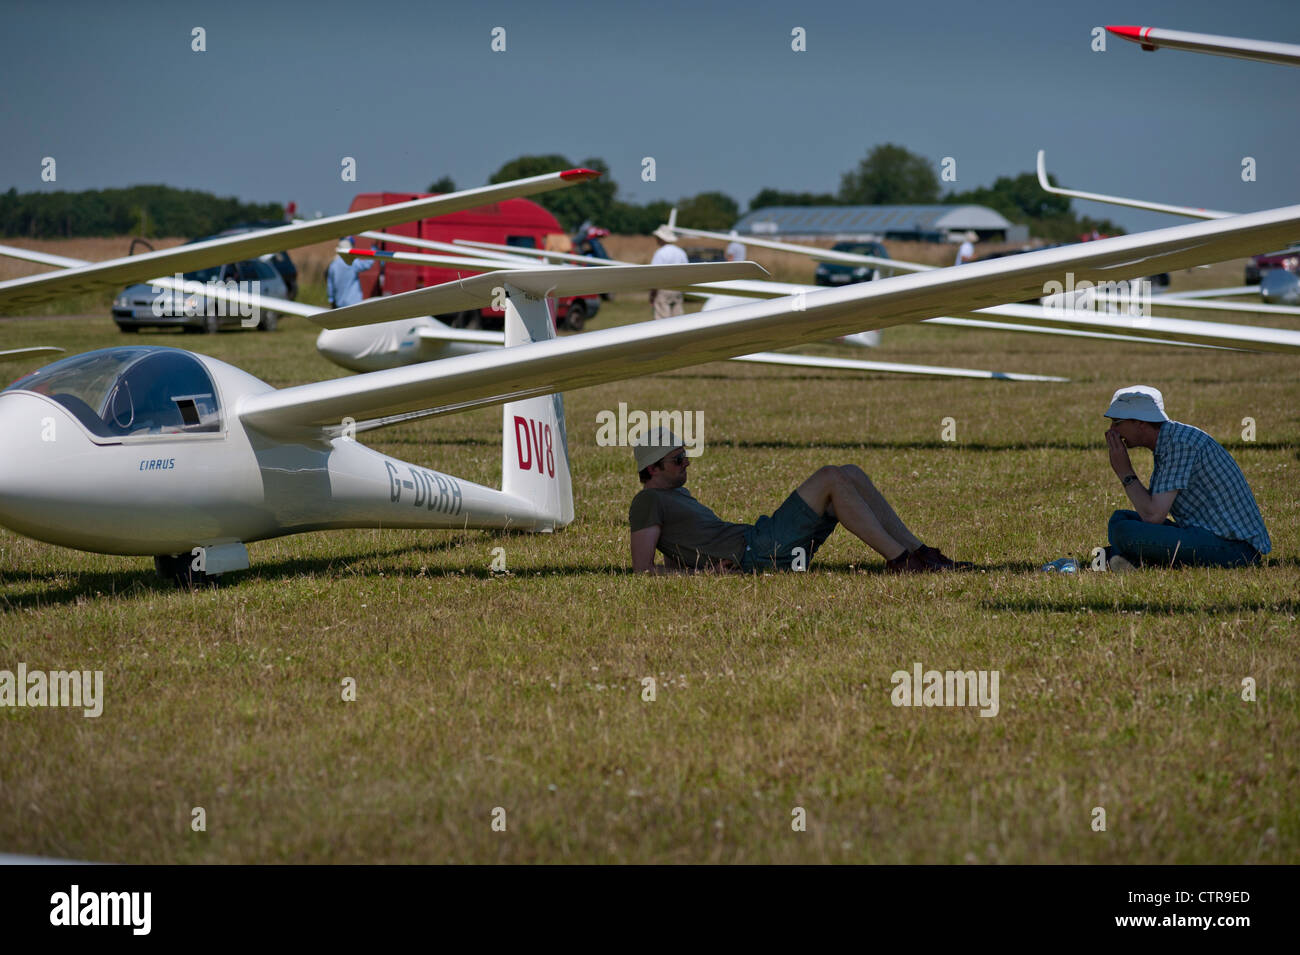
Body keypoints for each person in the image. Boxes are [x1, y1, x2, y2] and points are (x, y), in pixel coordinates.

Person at [628, 427, 970, 574]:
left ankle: (920, 553)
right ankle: (901, 562)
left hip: (760, 545)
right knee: (830, 477)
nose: (687, 463)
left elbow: (679, 553)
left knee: (848, 472)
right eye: (677, 460)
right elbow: (643, 570)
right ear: (653, 469)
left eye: (685, 456)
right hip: (756, 552)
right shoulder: (647, 503)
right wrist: (705, 575)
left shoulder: (675, 494)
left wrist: (695, 566)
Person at [1101, 385, 1270, 570]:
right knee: (1121, 518)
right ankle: (1126, 558)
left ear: (1140, 422)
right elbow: (1150, 511)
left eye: (1117, 422)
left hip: (1235, 549)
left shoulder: (1180, 445)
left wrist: (1125, 472)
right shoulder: (1172, 440)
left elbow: (1153, 516)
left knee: (1125, 531)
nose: (1112, 430)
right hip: (1208, 535)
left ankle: (1124, 558)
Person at [648, 225, 688, 319]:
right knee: (678, 319)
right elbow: (686, 270)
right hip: (678, 288)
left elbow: (655, 274)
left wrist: (652, 293)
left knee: (662, 319)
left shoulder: (660, 252)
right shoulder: (681, 252)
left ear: (661, 238)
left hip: (663, 289)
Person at [326, 237, 373, 308]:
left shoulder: (333, 265)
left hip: (339, 303)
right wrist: (374, 250)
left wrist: (331, 300)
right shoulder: (352, 262)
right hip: (354, 302)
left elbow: (330, 286)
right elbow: (366, 265)